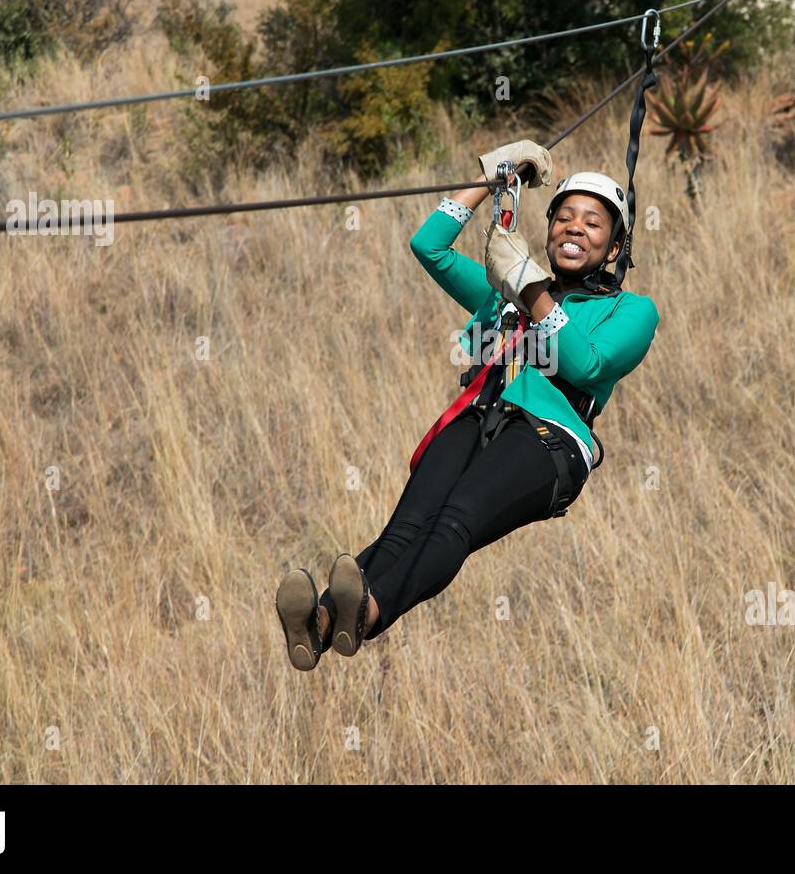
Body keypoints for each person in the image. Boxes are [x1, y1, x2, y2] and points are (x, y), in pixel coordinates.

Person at [275, 139, 659, 670]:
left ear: (614, 249)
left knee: (456, 520)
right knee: (404, 528)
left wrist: (526, 283)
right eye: (564, 217)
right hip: (481, 414)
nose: (574, 227)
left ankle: (367, 612)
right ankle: (321, 624)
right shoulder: (508, 289)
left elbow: (586, 365)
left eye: (594, 224)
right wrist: (493, 174)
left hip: (549, 439)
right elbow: (428, 245)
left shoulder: (632, 310)